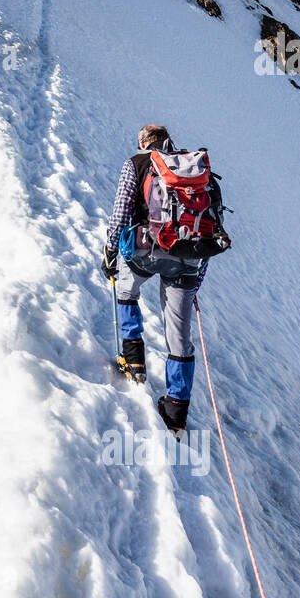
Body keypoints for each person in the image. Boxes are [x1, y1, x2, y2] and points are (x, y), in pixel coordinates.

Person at [100, 124, 214, 433]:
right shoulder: (192, 170)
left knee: (126, 289)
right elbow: (212, 224)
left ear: (142, 142)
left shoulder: (138, 163)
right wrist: (196, 272)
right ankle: (176, 409)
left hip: (147, 250)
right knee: (179, 333)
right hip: (188, 257)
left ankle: (134, 360)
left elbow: (122, 210)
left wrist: (111, 250)